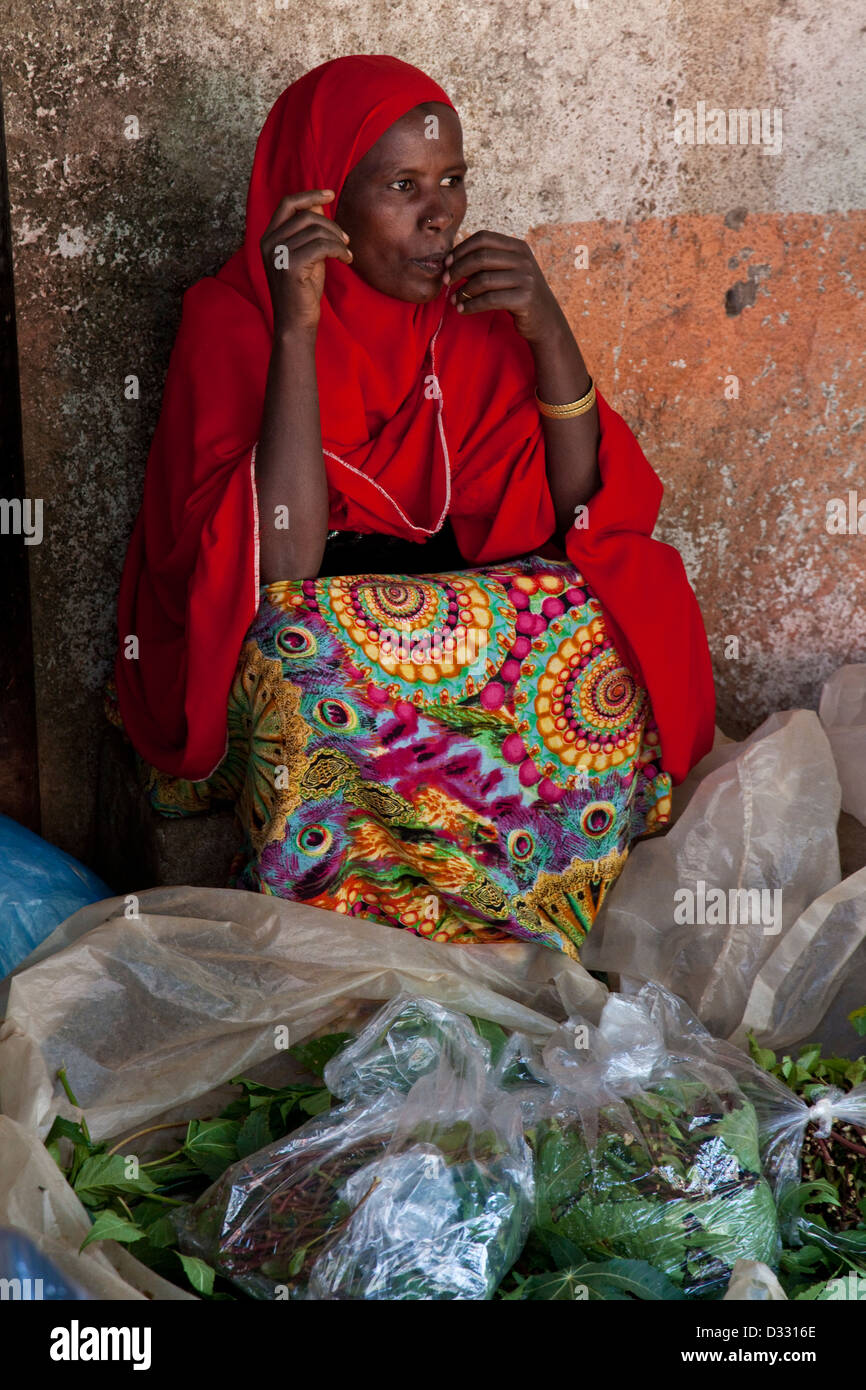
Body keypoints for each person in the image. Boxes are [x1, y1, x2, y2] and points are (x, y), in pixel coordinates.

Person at [111, 54, 715, 958]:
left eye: (453, 182)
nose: (441, 216)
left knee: (600, 620)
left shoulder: (466, 317)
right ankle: (342, 936)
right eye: (403, 187)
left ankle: (535, 919)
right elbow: (280, 568)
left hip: (434, 632)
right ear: (320, 207)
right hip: (291, 633)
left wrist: (550, 334)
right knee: (308, 650)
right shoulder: (231, 318)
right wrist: (296, 327)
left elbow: (581, 511)